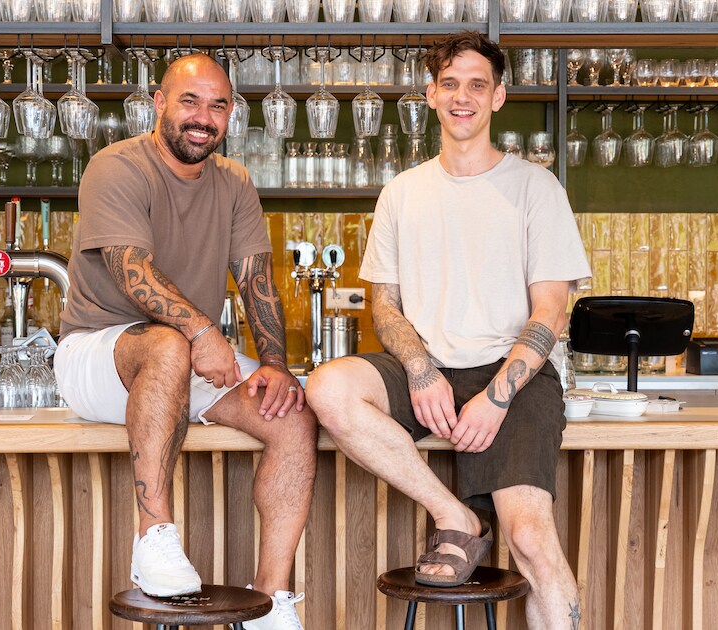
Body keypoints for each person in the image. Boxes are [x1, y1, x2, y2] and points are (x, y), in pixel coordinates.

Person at [305, 31, 591, 630]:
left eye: (477, 85)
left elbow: (550, 313)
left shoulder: (537, 189)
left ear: (499, 96)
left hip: (513, 376)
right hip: (428, 370)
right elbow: (384, 307)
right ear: (430, 95)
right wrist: (420, 367)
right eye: (450, 84)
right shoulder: (402, 192)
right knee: (327, 387)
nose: (463, 97)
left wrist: (495, 396)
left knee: (532, 540)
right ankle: (456, 517)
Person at [53, 53, 315, 630]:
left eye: (217, 105)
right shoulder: (115, 166)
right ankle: (153, 539)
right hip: (98, 355)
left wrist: (274, 363)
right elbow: (131, 271)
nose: (203, 117)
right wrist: (203, 330)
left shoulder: (235, 182)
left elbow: (255, 279)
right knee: (168, 345)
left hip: (184, 356)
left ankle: (270, 602)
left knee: (292, 411)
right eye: (189, 101)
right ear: (158, 104)